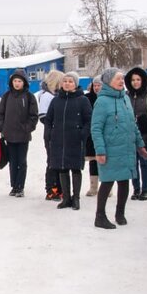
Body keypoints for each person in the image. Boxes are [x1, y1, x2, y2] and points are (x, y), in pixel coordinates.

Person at [90, 69, 147, 229]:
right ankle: (99, 216)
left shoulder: (125, 99)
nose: (122, 81)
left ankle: (120, 213)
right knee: (108, 182)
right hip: (110, 149)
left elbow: (132, 125)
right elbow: (96, 128)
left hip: (126, 148)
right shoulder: (101, 102)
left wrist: (140, 145)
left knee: (124, 181)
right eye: (118, 79)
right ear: (109, 81)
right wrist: (100, 151)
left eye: (122, 78)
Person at [44, 72, 92, 210]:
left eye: (70, 81)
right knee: (62, 168)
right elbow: (48, 120)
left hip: (75, 140)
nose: (67, 83)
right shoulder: (56, 100)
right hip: (59, 140)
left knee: (75, 169)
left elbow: (89, 120)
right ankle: (66, 198)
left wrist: (83, 133)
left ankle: (76, 198)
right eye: (65, 81)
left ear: (75, 84)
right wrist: (49, 134)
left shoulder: (82, 100)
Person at [0, 69, 38, 198]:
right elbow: (0, 113)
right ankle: (14, 186)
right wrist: (2, 127)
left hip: (23, 136)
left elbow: (34, 116)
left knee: (22, 161)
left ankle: (20, 187)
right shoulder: (6, 96)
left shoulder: (29, 96)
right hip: (9, 135)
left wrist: (27, 128)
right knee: (13, 161)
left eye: (19, 81)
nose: (17, 83)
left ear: (24, 82)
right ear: (11, 82)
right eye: (15, 81)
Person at [125, 68, 147, 200]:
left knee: (144, 162)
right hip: (130, 134)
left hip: (144, 134)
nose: (135, 82)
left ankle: (145, 190)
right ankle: (136, 189)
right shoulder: (126, 95)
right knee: (132, 163)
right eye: (133, 80)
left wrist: (144, 118)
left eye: (138, 79)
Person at [37, 70, 63, 200]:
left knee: (59, 161)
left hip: (59, 133)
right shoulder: (46, 96)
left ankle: (59, 187)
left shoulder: (56, 95)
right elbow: (43, 117)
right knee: (52, 161)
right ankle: (51, 189)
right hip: (51, 133)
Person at [84, 77, 103, 196]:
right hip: (91, 134)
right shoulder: (87, 98)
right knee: (93, 160)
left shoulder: (107, 98)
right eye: (94, 85)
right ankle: (93, 186)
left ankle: (107, 186)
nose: (96, 88)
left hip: (104, 133)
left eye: (98, 85)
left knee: (103, 160)